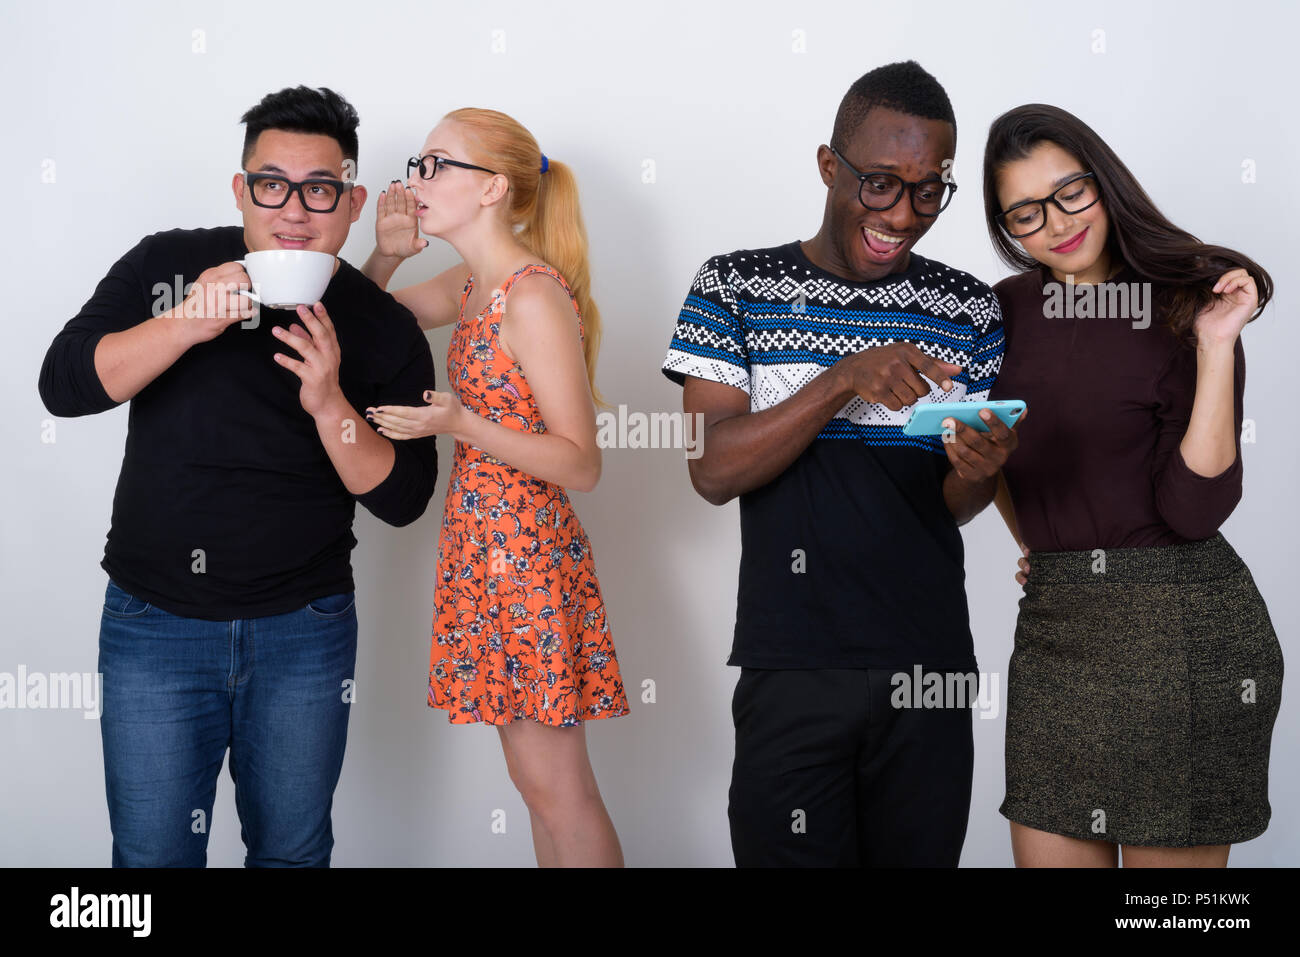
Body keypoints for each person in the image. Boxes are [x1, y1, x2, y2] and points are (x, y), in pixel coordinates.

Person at [37, 85, 440, 867]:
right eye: (271, 184)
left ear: (352, 202)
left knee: (292, 853)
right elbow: (64, 384)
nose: (294, 210)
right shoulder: (169, 264)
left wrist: (330, 405)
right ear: (241, 190)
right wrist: (186, 321)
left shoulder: (380, 321)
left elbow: (403, 497)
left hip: (304, 633)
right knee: (151, 859)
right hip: (153, 623)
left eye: (319, 189)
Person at [661, 61, 1019, 867]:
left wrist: (980, 463)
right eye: (882, 183)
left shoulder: (969, 309)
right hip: (793, 662)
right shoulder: (734, 287)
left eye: (930, 190)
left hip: (929, 666)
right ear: (831, 166)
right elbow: (711, 469)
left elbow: (954, 501)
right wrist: (843, 378)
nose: (904, 213)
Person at [983, 103, 1283, 867]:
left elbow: (1197, 507)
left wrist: (1216, 346)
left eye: (1069, 192)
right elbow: (1000, 454)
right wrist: (1046, 548)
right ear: (1005, 227)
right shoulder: (1003, 311)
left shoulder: (1189, 298)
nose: (1054, 223)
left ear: (1103, 180)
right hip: (1055, 636)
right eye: (1025, 213)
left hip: (1182, 632)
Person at [359, 108, 628, 867]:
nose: (418, 180)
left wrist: (463, 423)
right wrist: (383, 257)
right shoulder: (473, 282)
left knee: (559, 789)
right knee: (534, 782)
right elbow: (365, 322)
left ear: (493, 188)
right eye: (419, 162)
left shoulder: (532, 296)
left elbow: (583, 462)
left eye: (437, 164)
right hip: (483, 552)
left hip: (527, 557)